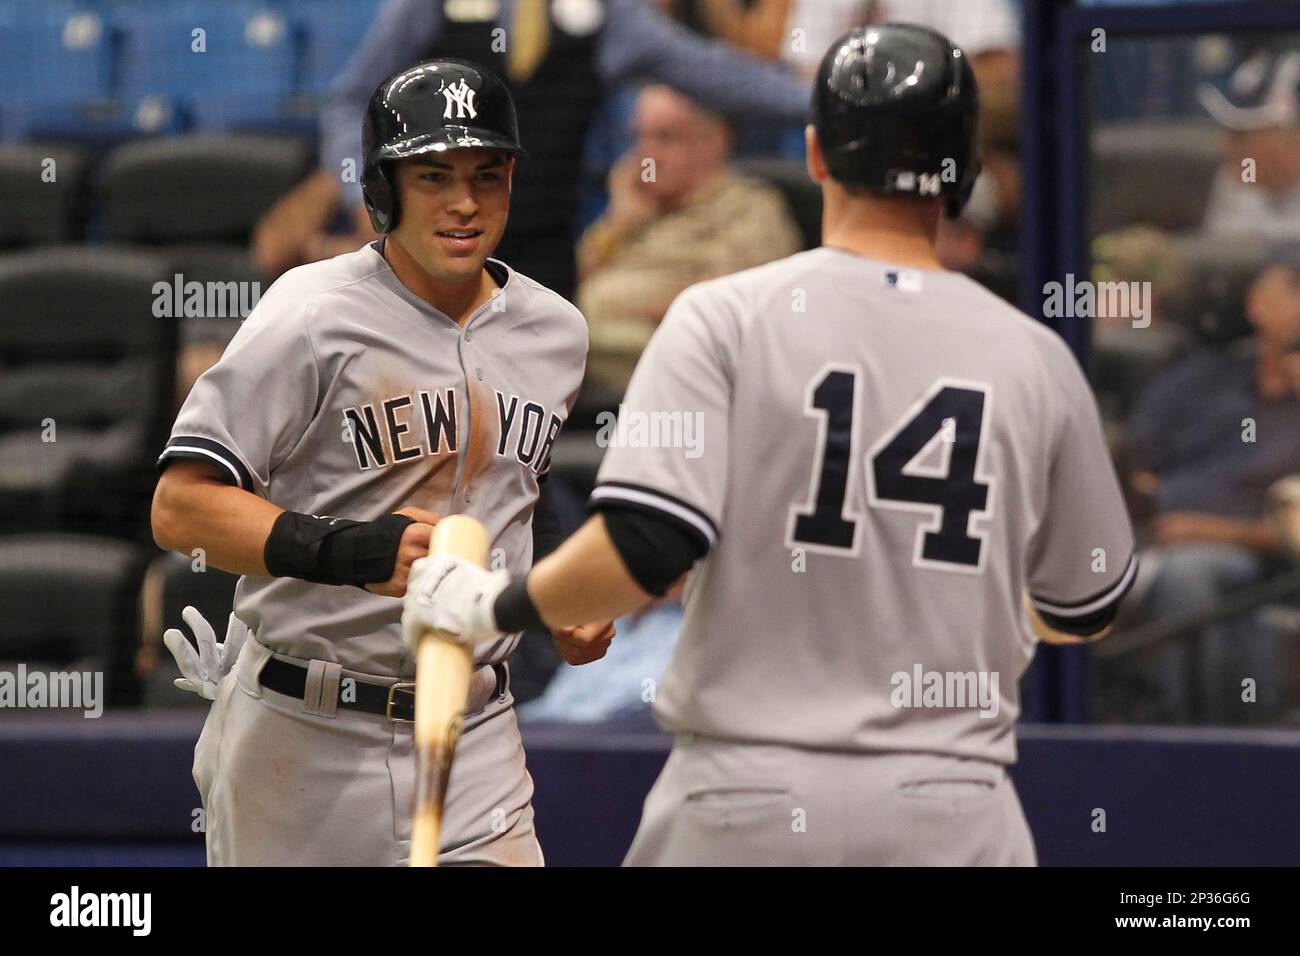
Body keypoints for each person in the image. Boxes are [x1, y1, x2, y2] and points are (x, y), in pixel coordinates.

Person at [401, 25, 1139, 866]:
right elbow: (1087, 603)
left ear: (818, 152)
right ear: (962, 172)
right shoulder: (1034, 355)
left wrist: (485, 604)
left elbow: (645, 549)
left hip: (749, 797)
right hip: (953, 806)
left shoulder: (729, 315)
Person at [151, 60, 613, 867]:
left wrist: (554, 599)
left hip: (476, 736)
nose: (464, 202)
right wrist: (348, 550)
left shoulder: (557, 333)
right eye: (433, 175)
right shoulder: (309, 312)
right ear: (383, 190)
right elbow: (181, 508)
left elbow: (499, 510)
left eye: (486, 175)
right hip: (303, 736)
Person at [253, 0, 812, 299]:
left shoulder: (608, 15)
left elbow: (715, 75)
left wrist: (826, 100)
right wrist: (361, 188)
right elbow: (354, 99)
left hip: (543, 265)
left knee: (528, 439)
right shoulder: (431, 6)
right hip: (430, 252)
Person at [1125, 243, 1300, 722]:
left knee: (1188, 574)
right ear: (1256, 305)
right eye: (1295, 289)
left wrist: (1204, 530)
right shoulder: (1200, 382)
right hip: (1151, 537)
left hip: (1263, 560)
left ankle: (1188, 745)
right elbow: (1133, 462)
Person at [577, 84, 802, 394]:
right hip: (599, 367)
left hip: (681, 362)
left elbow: (736, 306)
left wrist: (622, 303)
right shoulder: (636, 207)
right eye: (639, 137)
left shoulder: (750, 208)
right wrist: (620, 222)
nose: (647, 155)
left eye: (665, 138)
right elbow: (570, 283)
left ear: (714, 140)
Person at [1199, 47, 1300, 239]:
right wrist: (1249, 188)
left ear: (1292, 138)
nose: (1228, 146)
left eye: (1242, 135)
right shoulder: (1246, 169)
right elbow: (1230, 251)